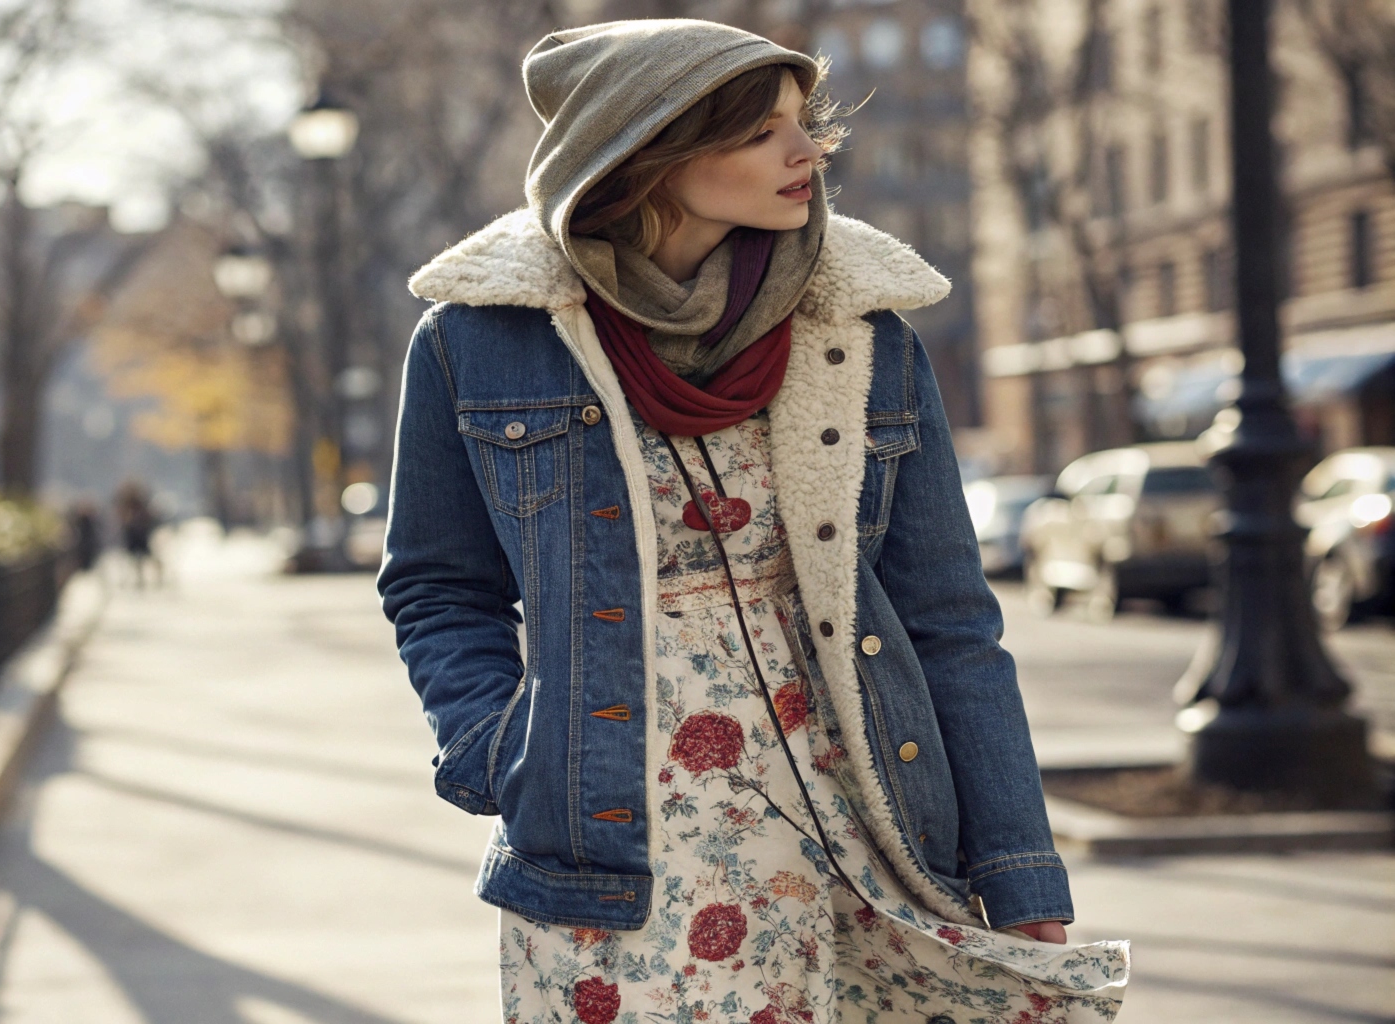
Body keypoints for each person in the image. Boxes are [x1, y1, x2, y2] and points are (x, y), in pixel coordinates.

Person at [378, 20, 1129, 1023]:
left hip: (856, 818)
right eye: (759, 132)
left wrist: (1019, 869)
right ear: (647, 153)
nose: (806, 151)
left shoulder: (858, 328)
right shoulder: (480, 338)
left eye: (802, 123)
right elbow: (436, 585)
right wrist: (498, 745)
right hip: (606, 834)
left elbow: (948, 619)